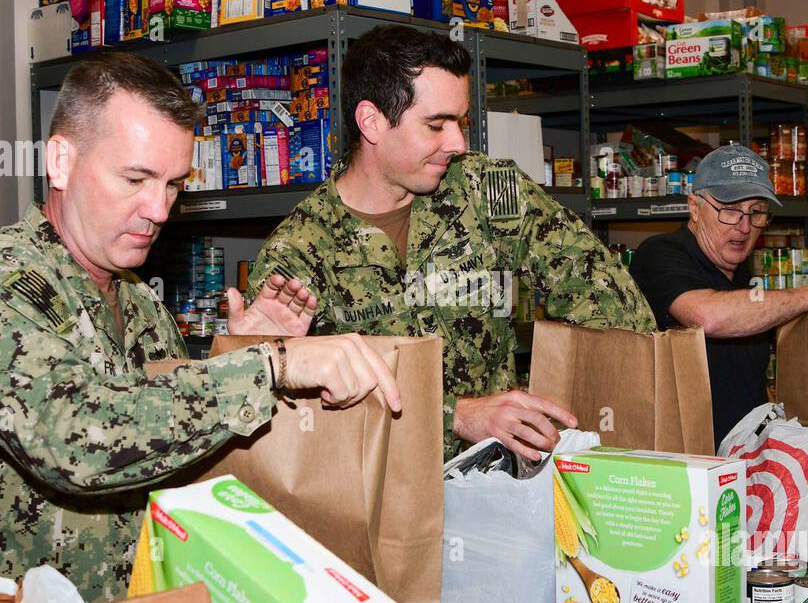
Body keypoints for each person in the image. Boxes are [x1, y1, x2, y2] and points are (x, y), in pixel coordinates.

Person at [0, 51, 401, 603]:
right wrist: (270, 366)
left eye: (173, 184)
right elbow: (77, 444)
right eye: (135, 178)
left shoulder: (138, 301)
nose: (159, 209)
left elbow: (168, 438)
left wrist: (243, 348)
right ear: (60, 162)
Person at [248, 25, 655, 461]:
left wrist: (578, 414)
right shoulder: (298, 253)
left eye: (459, 122)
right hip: (377, 497)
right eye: (435, 125)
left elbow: (602, 291)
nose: (458, 143)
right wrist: (454, 416)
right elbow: (290, 418)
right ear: (371, 121)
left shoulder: (488, 190)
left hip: (502, 483)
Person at [629, 145, 808, 448]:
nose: (745, 226)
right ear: (695, 208)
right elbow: (707, 316)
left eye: (756, 212)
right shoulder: (661, 253)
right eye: (730, 210)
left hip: (750, 458)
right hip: (690, 459)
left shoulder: (739, 272)